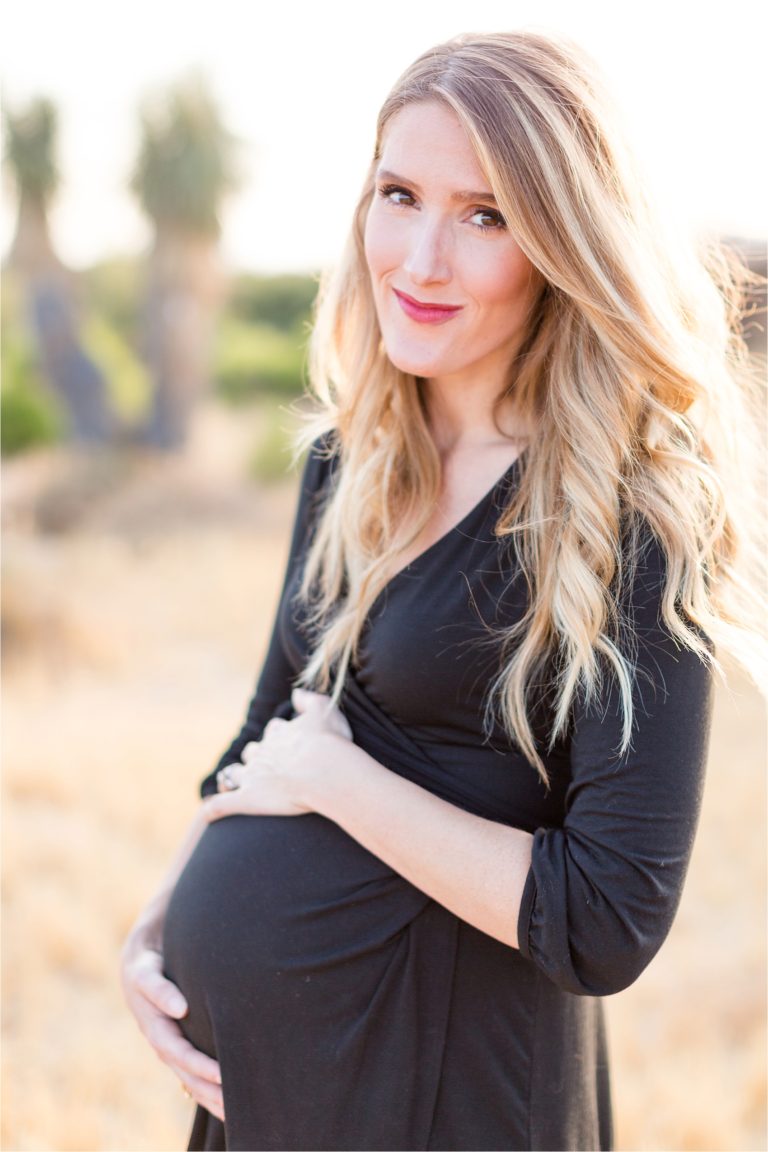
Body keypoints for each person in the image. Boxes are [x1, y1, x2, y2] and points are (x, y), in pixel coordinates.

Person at [120, 30, 766, 1152]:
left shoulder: (635, 512)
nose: (419, 258)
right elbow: (266, 730)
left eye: (486, 215)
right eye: (399, 194)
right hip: (278, 1098)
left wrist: (341, 779)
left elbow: (608, 917)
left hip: (455, 1098)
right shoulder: (350, 459)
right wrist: (161, 926)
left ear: (563, 240)